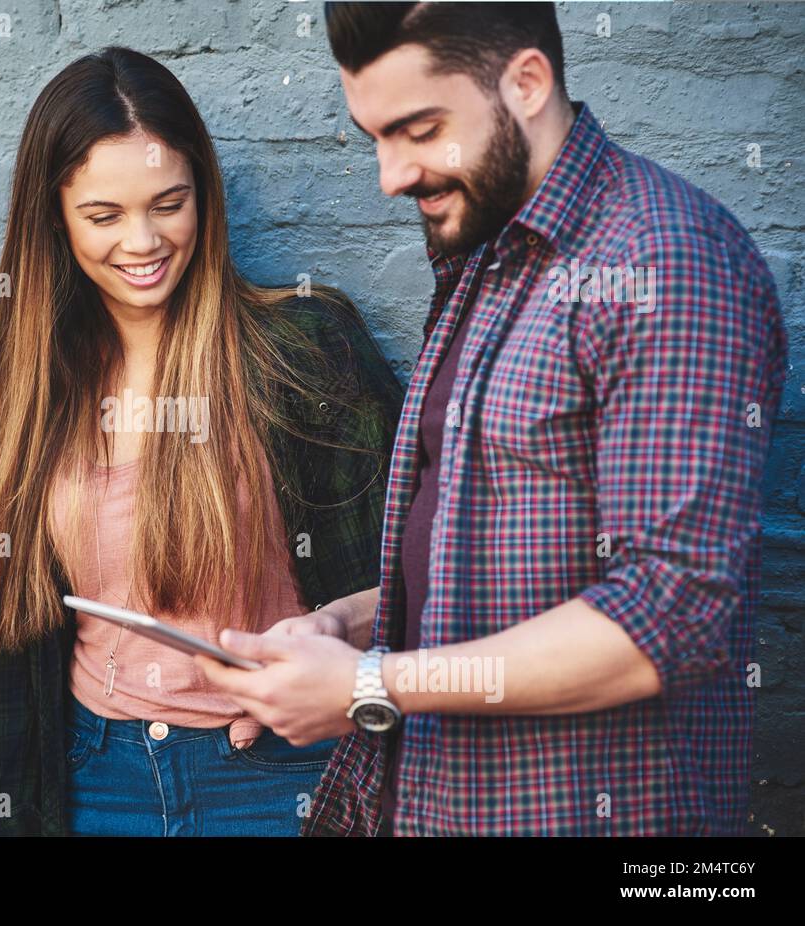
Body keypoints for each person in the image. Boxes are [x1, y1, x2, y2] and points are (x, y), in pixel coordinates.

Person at [199, 2, 788, 836]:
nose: (391, 175)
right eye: (375, 137)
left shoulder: (665, 261)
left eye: (418, 128)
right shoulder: (484, 255)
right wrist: (352, 626)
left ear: (527, 82)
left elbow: (672, 610)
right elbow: (493, 559)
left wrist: (373, 687)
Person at [0, 46, 402, 836]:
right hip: (92, 778)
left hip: (278, 773)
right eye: (103, 215)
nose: (143, 241)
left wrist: (337, 646)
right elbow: (10, 655)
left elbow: (426, 576)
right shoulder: (37, 392)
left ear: (204, 198)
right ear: (55, 218)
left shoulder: (305, 350)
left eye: (168, 203)